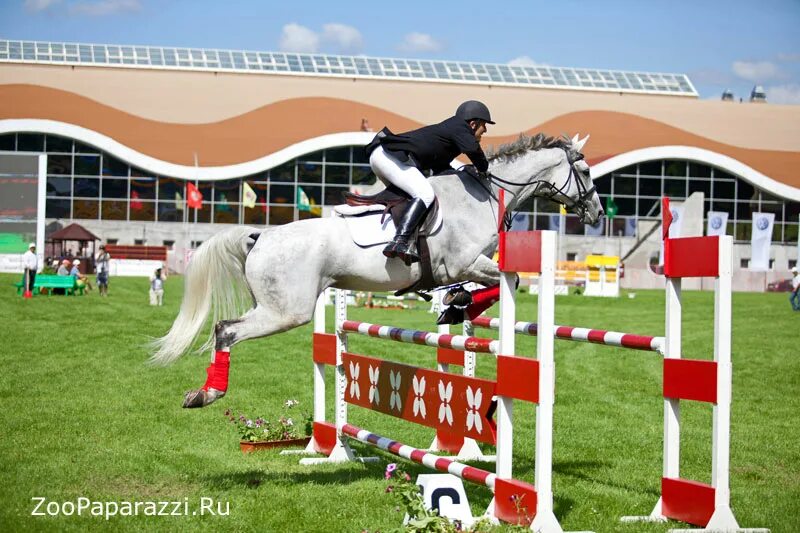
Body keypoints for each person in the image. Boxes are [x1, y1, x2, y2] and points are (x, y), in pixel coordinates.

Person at [366, 100, 494, 264]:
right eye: (484, 125)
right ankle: (399, 242)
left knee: (408, 198)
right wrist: (483, 168)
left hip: (386, 157)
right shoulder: (460, 127)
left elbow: (441, 169)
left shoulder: (450, 138)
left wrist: (464, 173)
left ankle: (393, 237)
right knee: (425, 194)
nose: (485, 130)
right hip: (390, 158)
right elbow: (473, 150)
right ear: (473, 124)